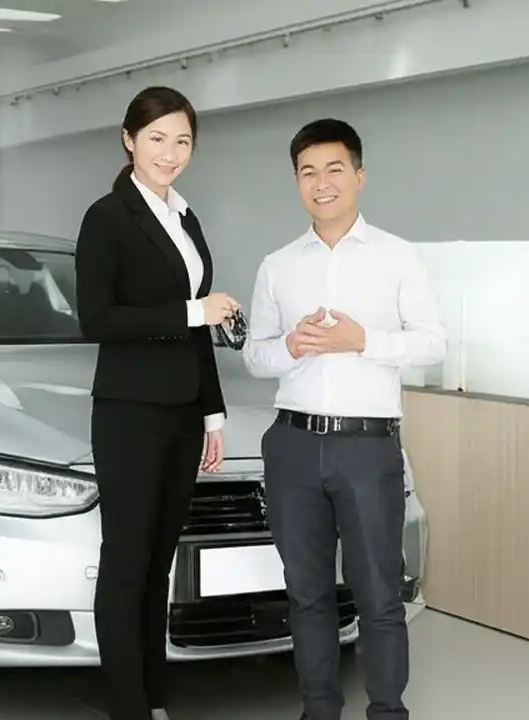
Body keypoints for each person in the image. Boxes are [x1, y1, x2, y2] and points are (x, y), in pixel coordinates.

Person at [242, 118, 447, 720]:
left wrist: (365, 340)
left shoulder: (397, 257)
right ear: (297, 182)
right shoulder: (277, 266)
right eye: (308, 172)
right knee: (306, 595)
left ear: (358, 175)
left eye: (334, 169)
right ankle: (318, 712)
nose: (321, 183)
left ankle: (387, 712)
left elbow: (433, 342)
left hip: (367, 446)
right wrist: (294, 348)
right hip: (293, 444)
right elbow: (256, 354)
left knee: (379, 595)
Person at [74, 86, 241, 720]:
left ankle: (153, 697)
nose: (171, 153)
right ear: (128, 140)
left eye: (182, 141)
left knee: (159, 564)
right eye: (157, 139)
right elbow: (97, 319)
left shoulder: (186, 217)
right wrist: (191, 311)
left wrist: (213, 412)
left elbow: (202, 327)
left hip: (181, 411)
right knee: (126, 562)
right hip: (128, 413)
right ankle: (126, 706)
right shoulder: (107, 217)